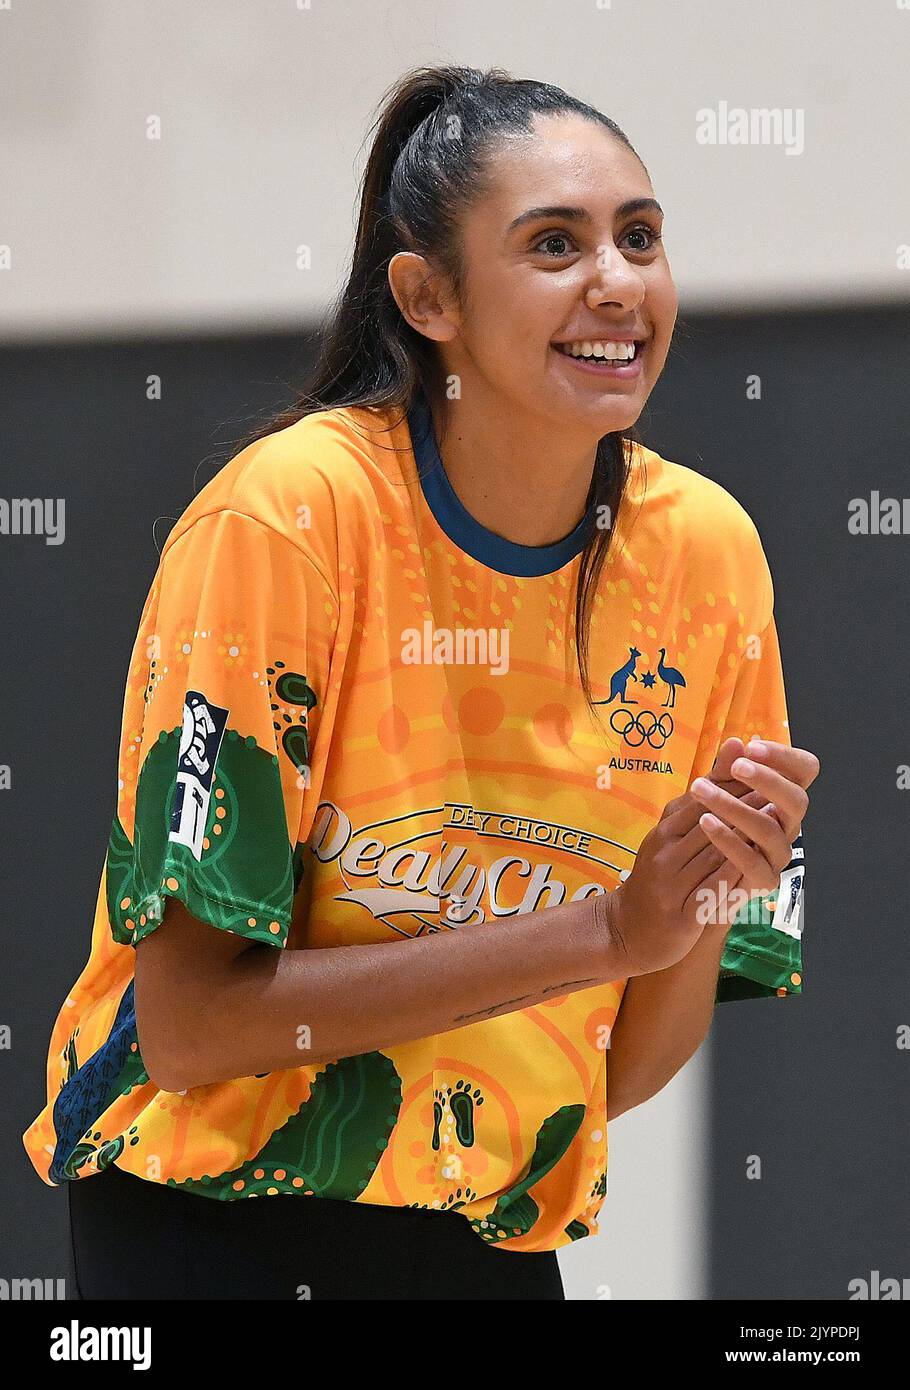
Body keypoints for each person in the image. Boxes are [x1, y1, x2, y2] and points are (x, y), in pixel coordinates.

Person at [22, 64, 818, 1301]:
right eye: (555, 244)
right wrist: (601, 931)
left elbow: (611, 1066)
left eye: (640, 237)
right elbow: (187, 1027)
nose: (616, 280)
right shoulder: (288, 518)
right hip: (209, 1226)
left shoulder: (708, 553)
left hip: (487, 1235)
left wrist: (690, 907)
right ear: (427, 295)